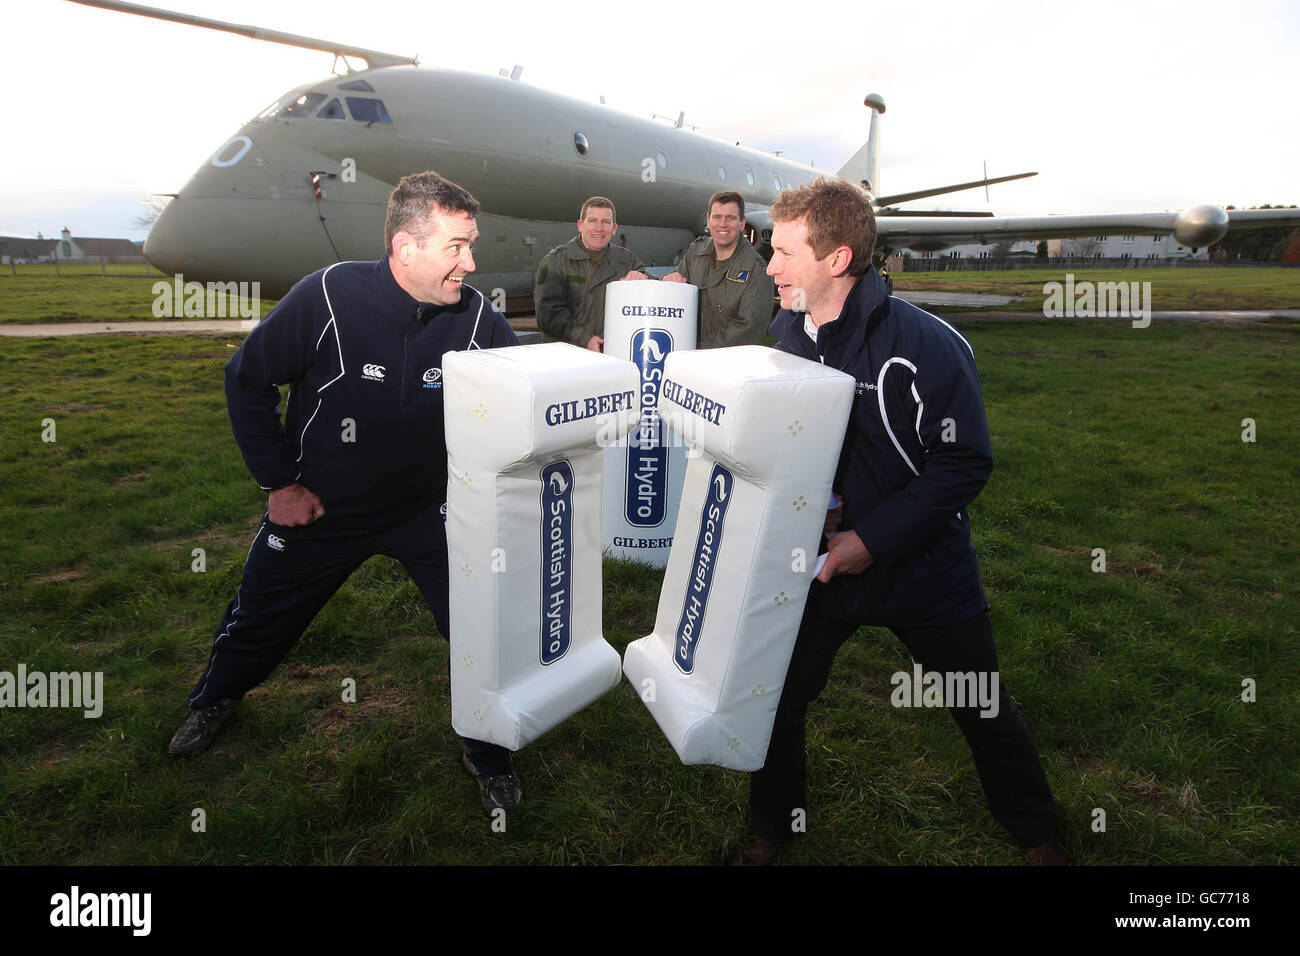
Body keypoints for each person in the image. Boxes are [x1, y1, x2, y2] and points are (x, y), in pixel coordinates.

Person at [167, 170, 525, 817]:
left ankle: (490, 753)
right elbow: (246, 378)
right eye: (456, 246)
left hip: (429, 512)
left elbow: (524, 393)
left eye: (472, 245)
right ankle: (213, 699)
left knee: (480, 630)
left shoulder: (478, 318)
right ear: (405, 247)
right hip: (322, 508)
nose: (471, 263)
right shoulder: (327, 296)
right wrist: (280, 483)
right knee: (258, 618)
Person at [731, 177, 1065, 865]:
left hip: (924, 569)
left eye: (786, 252)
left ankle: (1040, 838)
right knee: (777, 700)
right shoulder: (787, 330)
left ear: (838, 259)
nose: (770, 267)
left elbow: (964, 464)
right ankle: (774, 831)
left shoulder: (929, 347)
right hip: (819, 568)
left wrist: (872, 540)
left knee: (982, 708)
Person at [534, 196, 649, 351]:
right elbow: (548, 315)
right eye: (592, 220)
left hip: (610, 355)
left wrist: (651, 278)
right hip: (564, 356)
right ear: (581, 225)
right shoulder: (555, 262)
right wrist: (584, 339)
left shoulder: (627, 261)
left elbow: (649, 283)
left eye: (606, 222)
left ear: (614, 229)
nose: (599, 228)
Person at [662, 190, 775, 347]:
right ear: (708, 220)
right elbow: (673, 284)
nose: (722, 224)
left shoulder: (755, 269)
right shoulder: (696, 253)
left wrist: (699, 352)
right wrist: (665, 279)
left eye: (730, 218)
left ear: (742, 223)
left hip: (725, 362)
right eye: (717, 217)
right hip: (688, 357)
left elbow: (748, 330)